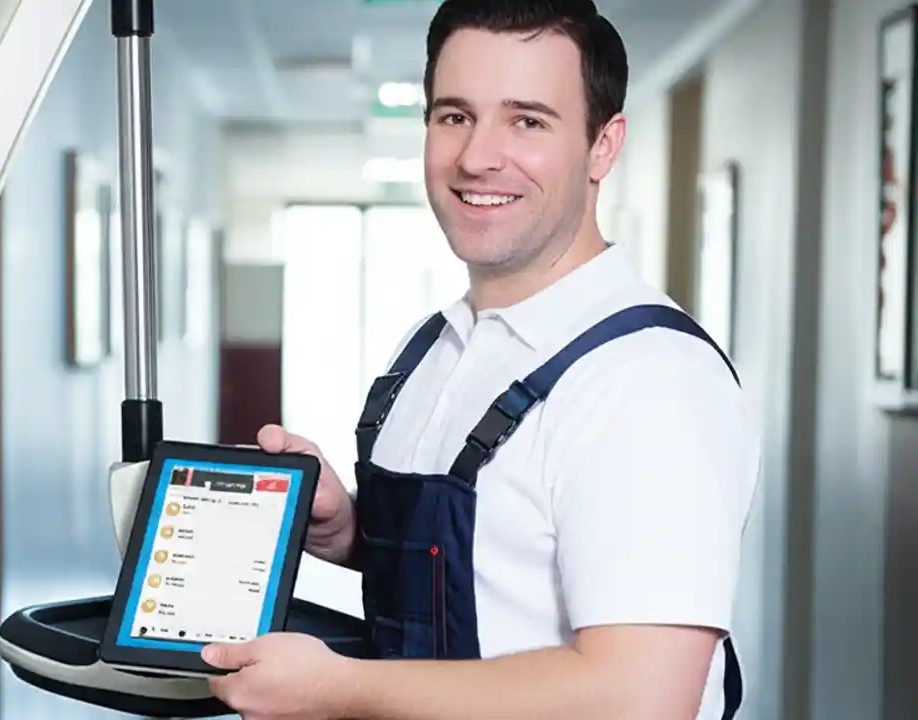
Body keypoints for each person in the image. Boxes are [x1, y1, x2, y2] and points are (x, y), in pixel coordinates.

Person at [200, 1, 762, 718]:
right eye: (454, 115)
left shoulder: (648, 382)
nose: (476, 156)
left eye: (527, 120)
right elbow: (493, 576)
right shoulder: (436, 347)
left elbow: (640, 698)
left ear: (603, 147)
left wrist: (335, 687)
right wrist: (349, 533)